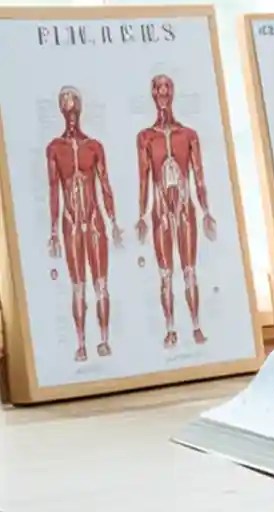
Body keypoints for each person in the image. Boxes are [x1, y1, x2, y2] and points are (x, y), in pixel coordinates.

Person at [136, 74, 216, 348]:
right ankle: (170, 329)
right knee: (165, 273)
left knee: (189, 269)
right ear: (153, 93)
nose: (162, 92)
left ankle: (196, 326)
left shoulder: (188, 135)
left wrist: (206, 210)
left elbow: (199, 177)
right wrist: (142, 215)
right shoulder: (146, 137)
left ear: (172, 92)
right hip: (160, 212)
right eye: (158, 88)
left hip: (185, 210)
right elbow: (144, 178)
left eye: (166, 87)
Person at [46, 86, 123, 361]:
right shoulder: (55, 149)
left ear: (80, 110)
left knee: (101, 283)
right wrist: (54, 231)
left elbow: (105, 185)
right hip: (71, 223)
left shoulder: (94, 146)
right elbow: (53, 190)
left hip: (94, 221)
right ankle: (81, 344)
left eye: (74, 108)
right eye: (66, 109)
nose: (71, 114)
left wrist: (113, 221)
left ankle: (104, 340)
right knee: (78, 285)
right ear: (61, 110)